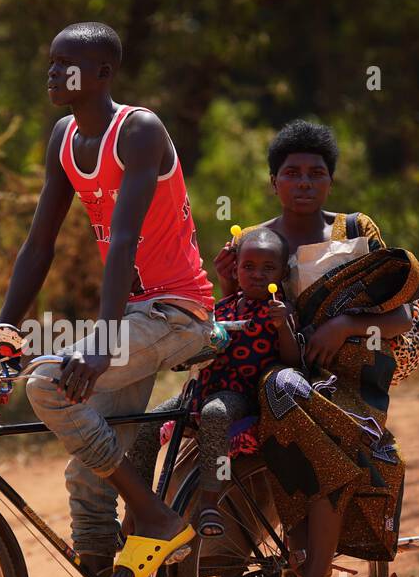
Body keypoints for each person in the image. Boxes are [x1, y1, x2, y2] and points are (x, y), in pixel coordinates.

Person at [0, 22, 215, 577]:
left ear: (104, 73)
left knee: (48, 387)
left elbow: (122, 243)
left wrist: (103, 339)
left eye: (70, 64)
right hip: (129, 318)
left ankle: (153, 516)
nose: (54, 74)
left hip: (178, 312)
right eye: (51, 62)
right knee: (86, 479)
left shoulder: (139, 131)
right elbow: (40, 244)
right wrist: (3, 332)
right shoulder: (64, 139)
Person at [213, 120, 416, 577]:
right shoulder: (253, 244)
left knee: (321, 444)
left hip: (346, 385)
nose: (304, 183)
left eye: (316, 173)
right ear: (272, 181)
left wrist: (345, 325)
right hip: (271, 382)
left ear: (330, 180)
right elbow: (232, 318)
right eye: (292, 173)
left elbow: (403, 318)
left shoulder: (355, 233)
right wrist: (226, 284)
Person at [125, 227, 298, 540]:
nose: (257, 275)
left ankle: (208, 503)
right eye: (248, 267)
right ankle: (138, 510)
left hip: (240, 395)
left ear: (283, 273)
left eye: (268, 268)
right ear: (236, 269)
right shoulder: (226, 307)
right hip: (199, 392)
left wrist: (283, 326)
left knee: (216, 415)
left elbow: (292, 361)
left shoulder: (280, 310)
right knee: (146, 424)